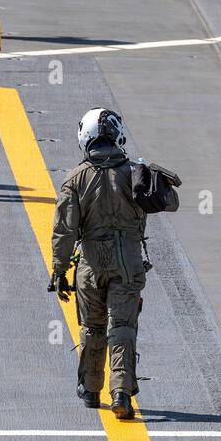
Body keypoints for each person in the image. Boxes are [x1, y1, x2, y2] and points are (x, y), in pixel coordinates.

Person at [51, 109, 176, 418]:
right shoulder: (136, 172)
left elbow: (64, 230)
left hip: (90, 265)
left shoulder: (74, 179)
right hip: (129, 263)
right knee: (122, 328)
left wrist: (59, 270)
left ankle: (91, 390)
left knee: (92, 327)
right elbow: (170, 202)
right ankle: (121, 392)